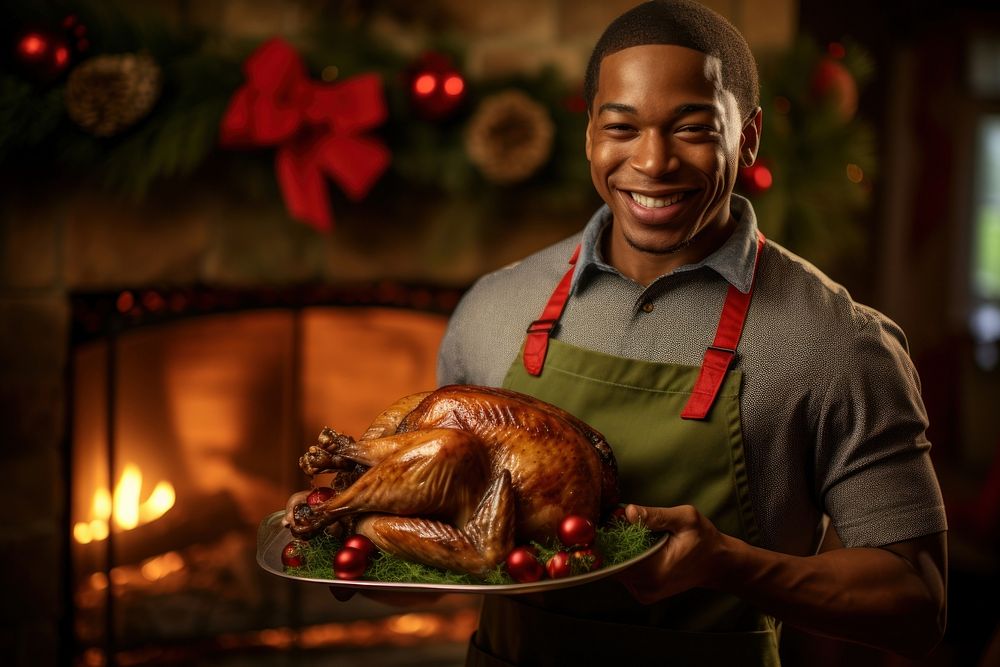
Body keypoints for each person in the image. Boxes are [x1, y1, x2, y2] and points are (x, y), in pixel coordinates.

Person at [436, 1, 948, 664]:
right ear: (590, 131)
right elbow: (438, 544)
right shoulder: (491, 307)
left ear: (750, 136)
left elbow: (918, 601)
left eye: (692, 128)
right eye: (622, 127)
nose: (652, 161)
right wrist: (347, 528)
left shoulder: (838, 342)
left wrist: (728, 565)